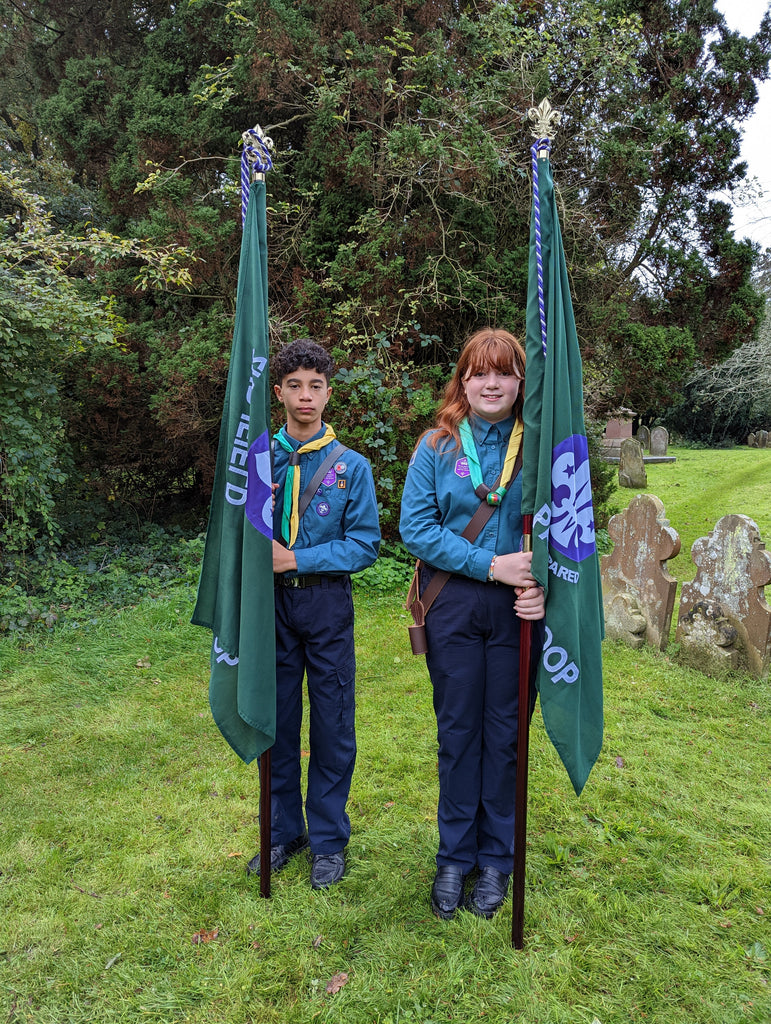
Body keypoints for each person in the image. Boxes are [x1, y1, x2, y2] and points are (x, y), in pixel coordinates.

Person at [399, 327, 545, 920]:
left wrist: (545, 590)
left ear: (521, 381)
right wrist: (490, 565)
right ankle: (455, 857)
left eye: (504, 372)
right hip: (454, 604)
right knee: (458, 734)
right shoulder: (437, 446)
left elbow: (567, 532)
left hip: (518, 610)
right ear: (463, 380)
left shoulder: (542, 446)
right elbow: (416, 529)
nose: (491, 383)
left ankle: (496, 860)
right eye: (479, 372)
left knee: (505, 736)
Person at [247, 338, 380, 889]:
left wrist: (297, 558)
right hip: (271, 607)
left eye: (316, 386)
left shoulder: (352, 466)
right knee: (275, 720)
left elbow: (365, 544)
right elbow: (237, 532)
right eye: (295, 386)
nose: (306, 396)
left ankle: (327, 839)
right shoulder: (258, 461)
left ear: (329, 393)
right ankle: (282, 832)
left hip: (325, 603)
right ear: (278, 392)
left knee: (331, 721)